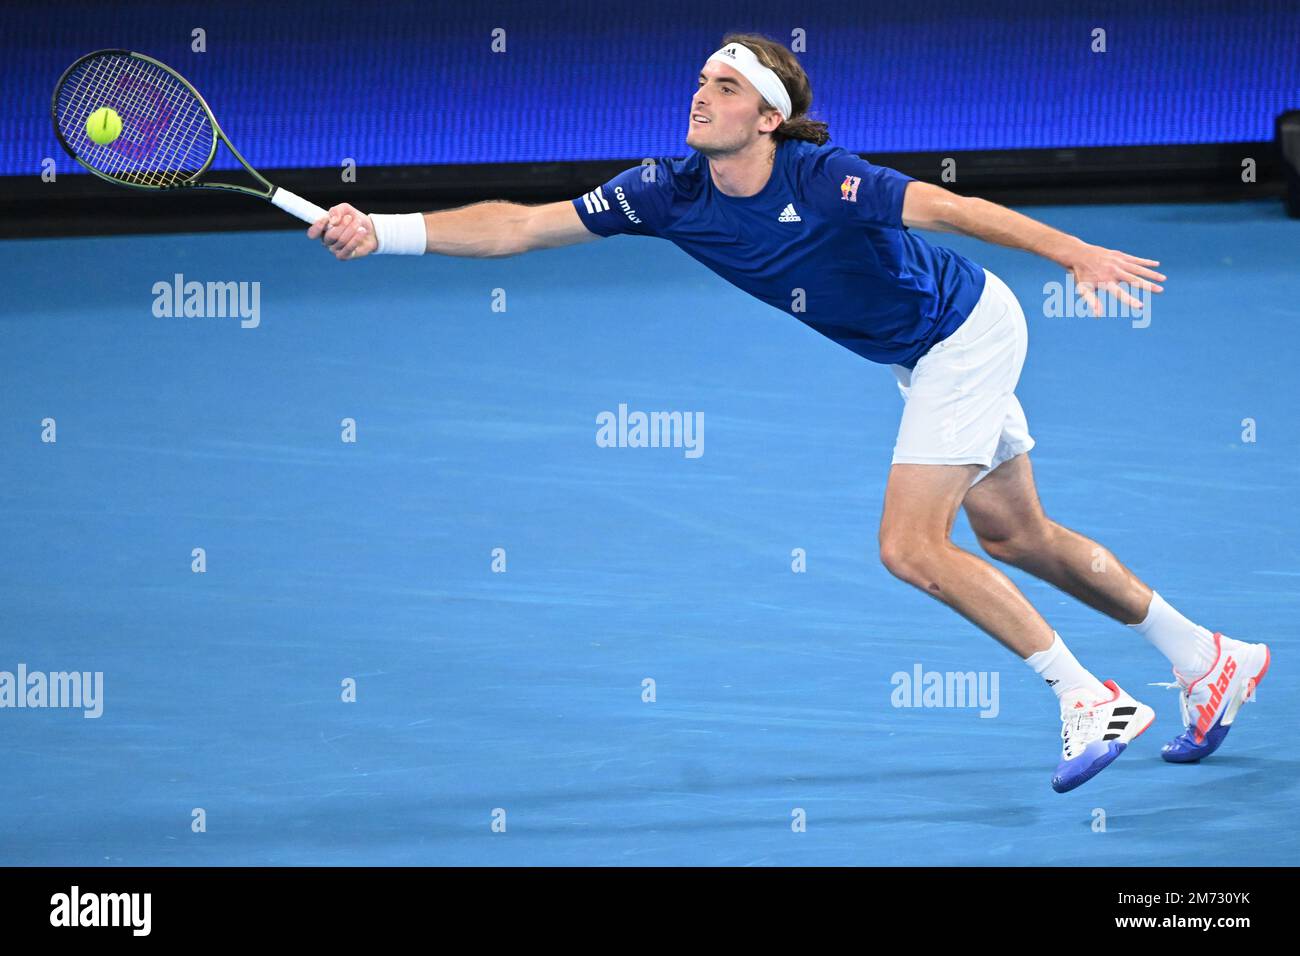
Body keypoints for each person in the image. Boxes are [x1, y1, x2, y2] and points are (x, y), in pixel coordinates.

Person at [305, 33, 1270, 792]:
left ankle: (1086, 696)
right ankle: (1206, 655)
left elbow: (951, 209)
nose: (700, 96)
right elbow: (521, 223)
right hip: (923, 350)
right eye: (698, 82)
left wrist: (1070, 252)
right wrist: (381, 230)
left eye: (723, 88)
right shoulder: (666, 190)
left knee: (909, 546)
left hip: (962, 336)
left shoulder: (825, 178)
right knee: (1016, 536)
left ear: (768, 117)